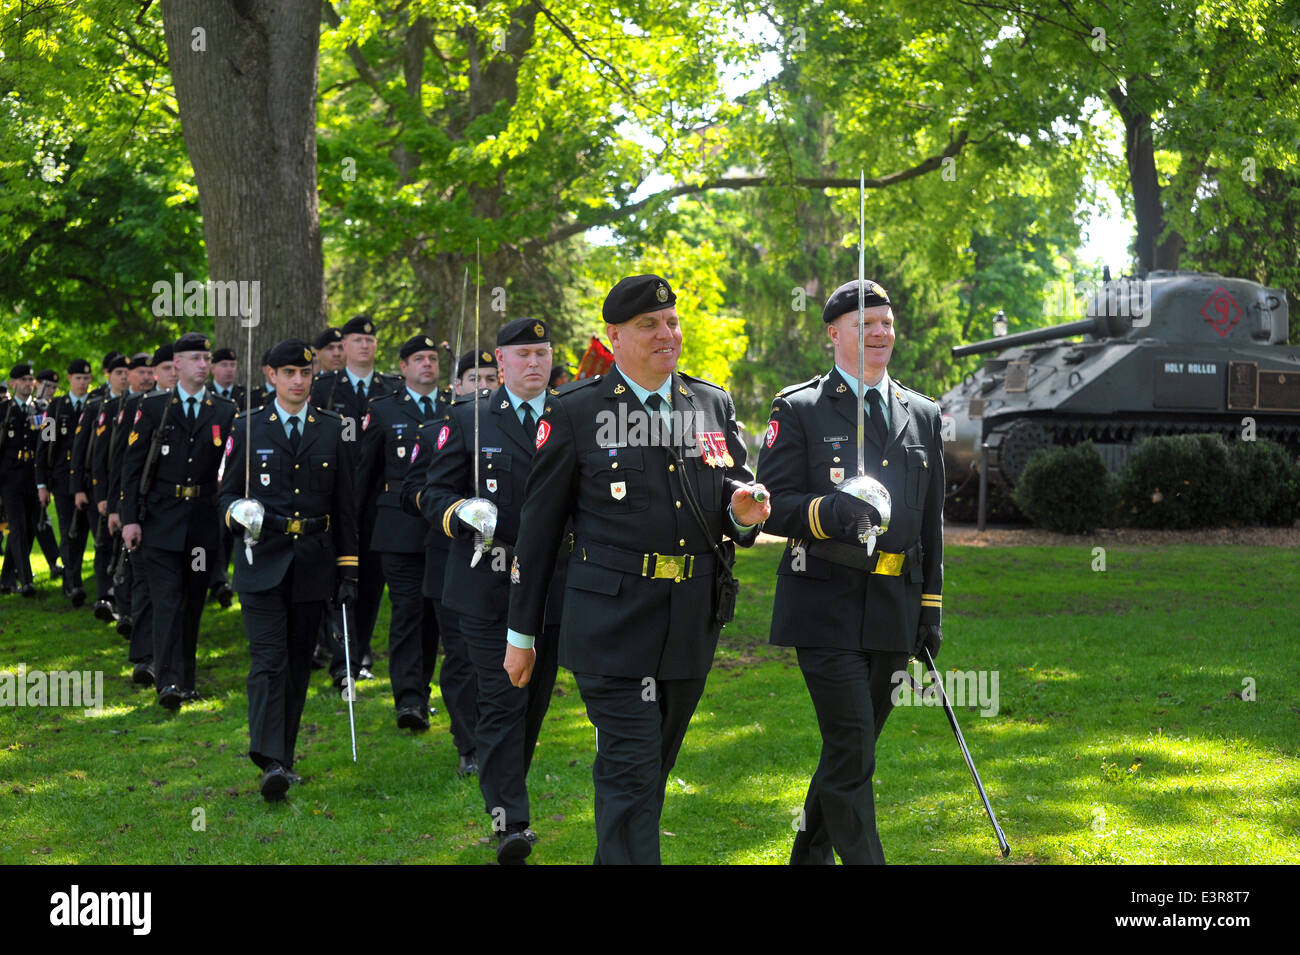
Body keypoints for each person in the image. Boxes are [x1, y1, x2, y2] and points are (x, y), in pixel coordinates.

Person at [505, 274, 770, 864]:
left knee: (651, 768)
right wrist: (521, 637)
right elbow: (539, 533)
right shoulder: (576, 411)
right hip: (611, 623)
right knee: (630, 766)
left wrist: (743, 513)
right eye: (649, 325)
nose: (665, 333)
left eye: (671, 321)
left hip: (688, 622)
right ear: (614, 336)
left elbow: (732, 499)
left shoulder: (710, 404)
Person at [756, 278, 945, 865]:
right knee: (852, 746)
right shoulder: (801, 408)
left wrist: (930, 608)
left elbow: (932, 522)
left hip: (894, 605)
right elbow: (772, 503)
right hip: (824, 601)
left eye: (887, 323)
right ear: (834, 334)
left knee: (849, 753)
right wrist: (828, 513)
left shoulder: (923, 413)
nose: (881, 333)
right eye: (866, 325)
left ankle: (806, 859)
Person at [407, 317, 568, 863]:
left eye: (542, 353)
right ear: (500, 362)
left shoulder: (571, 416)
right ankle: (511, 820)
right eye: (522, 354)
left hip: (550, 586)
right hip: (486, 584)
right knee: (500, 700)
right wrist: (460, 511)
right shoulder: (468, 420)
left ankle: (506, 791)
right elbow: (431, 494)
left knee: (533, 703)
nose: (533, 363)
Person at [219, 339, 359, 801]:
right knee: (268, 660)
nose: (298, 381)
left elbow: (345, 507)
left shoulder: (331, 428)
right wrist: (238, 513)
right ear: (270, 376)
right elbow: (223, 497)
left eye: (305, 374)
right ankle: (268, 759)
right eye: (288, 373)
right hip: (263, 561)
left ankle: (286, 756)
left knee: (299, 663)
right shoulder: (249, 426)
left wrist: (348, 571)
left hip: (313, 562)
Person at [355, 335, 470, 738]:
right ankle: (409, 698)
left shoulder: (453, 410)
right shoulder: (383, 410)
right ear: (402, 367)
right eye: (418, 359)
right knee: (407, 611)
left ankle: (430, 690)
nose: (427, 364)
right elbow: (364, 477)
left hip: (441, 530)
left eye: (432, 358)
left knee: (437, 615)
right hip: (398, 530)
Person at [121, 334, 237, 708]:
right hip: (161, 523)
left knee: (192, 599)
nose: (203, 364)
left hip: (201, 526)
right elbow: (132, 465)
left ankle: (186, 679)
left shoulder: (223, 410)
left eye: (206, 358)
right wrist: (130, 520)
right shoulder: (154, 407)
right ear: (177, 365)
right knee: (167, 600)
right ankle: (168, 682)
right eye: (195, 359)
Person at [310, 314, 401, 691]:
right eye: (356, 340)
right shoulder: (324, 388)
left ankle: (358, 653)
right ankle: (339, 657)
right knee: (337, 577)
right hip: (336, 496)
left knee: (370, 579)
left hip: (377, 501)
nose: (364, 345)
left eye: (369, 340)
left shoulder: (390, 388)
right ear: (343, 347)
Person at [70, 353, 129, 619]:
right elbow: (82, 450)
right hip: (100, 487)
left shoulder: (139, 405)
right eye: (119, 373)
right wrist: (80, 488)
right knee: (104, 543)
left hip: (126, 487)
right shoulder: (96, 406)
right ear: (109, 375)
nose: (124, 377)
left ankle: (123, 596)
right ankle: (105, 596)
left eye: (127, 372)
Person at [36, 359, 93, 606]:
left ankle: (74, 579)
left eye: (86, 378)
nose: (82, 383)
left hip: (89, 481)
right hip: (62, 481)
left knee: (85, 533)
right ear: (70, 379)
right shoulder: (57, 408)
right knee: (69, 530)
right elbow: (44, 447)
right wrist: (42, 484)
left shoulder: (95, 406)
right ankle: (72, 582)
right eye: (78, 378)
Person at [0, 364, 42, 597]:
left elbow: (49, 442)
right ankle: (25, 581)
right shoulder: (3, 410)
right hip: (9, 479)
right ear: (13, 382)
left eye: (30, 379)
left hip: (33, 478)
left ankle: (6, 578)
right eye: (23, 379)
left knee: (30, 528)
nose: (28, 383)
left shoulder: (40, 409)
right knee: (17, 527)